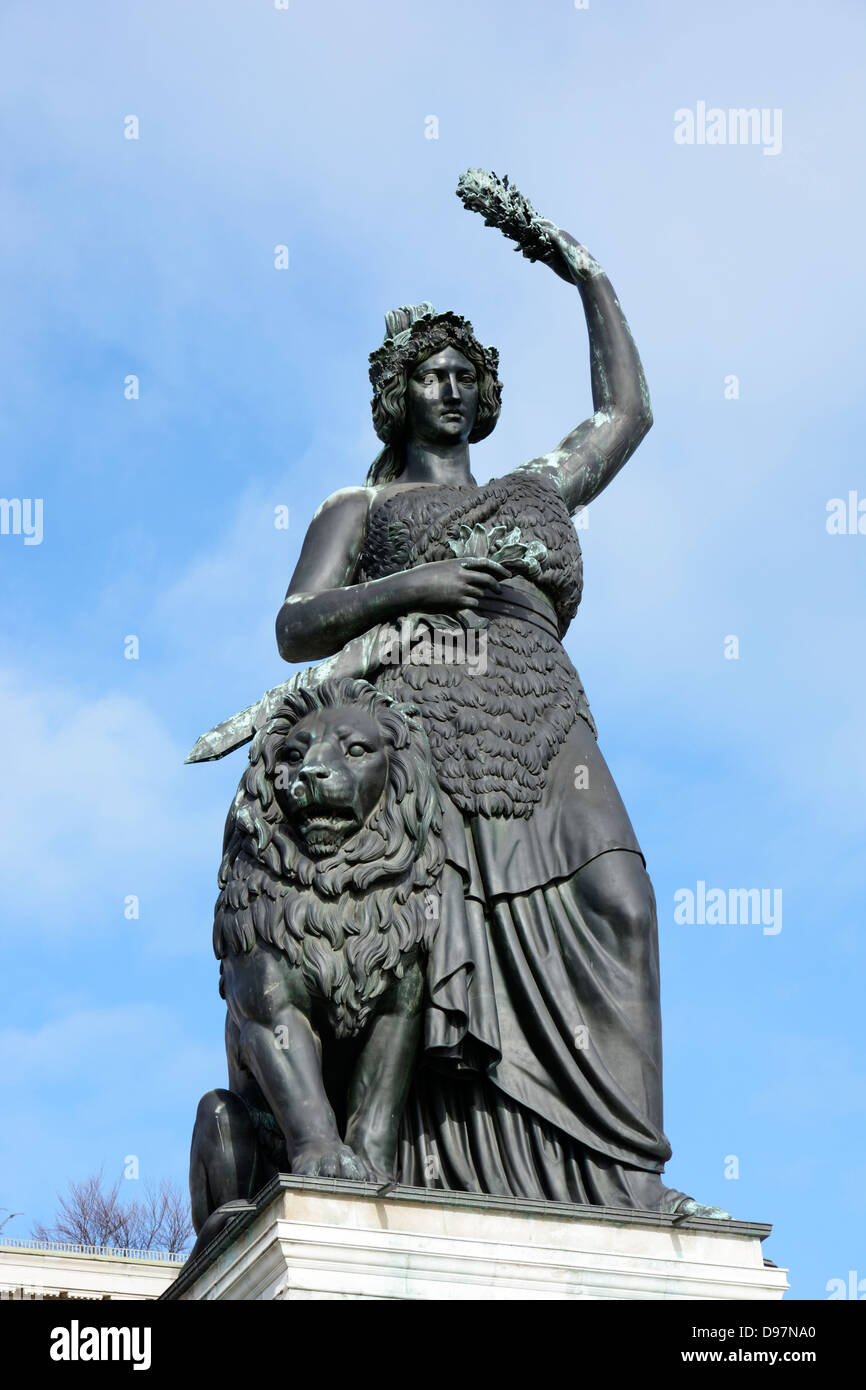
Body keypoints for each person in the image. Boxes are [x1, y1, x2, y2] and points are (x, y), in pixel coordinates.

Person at [274, 185, 726, 1217]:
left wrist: (583, 272)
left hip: (540, 707)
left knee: (621, 901)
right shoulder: (363, 507)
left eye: (461, 373)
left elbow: (627, 413)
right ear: (396, 391)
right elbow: (297, 621)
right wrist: (416, 585)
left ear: (483, 390)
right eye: (425, 373)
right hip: (420, 721)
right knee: (439, 940)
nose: (445, 386)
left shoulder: (536, 487)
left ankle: (624, 1176)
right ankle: (432, 1162)